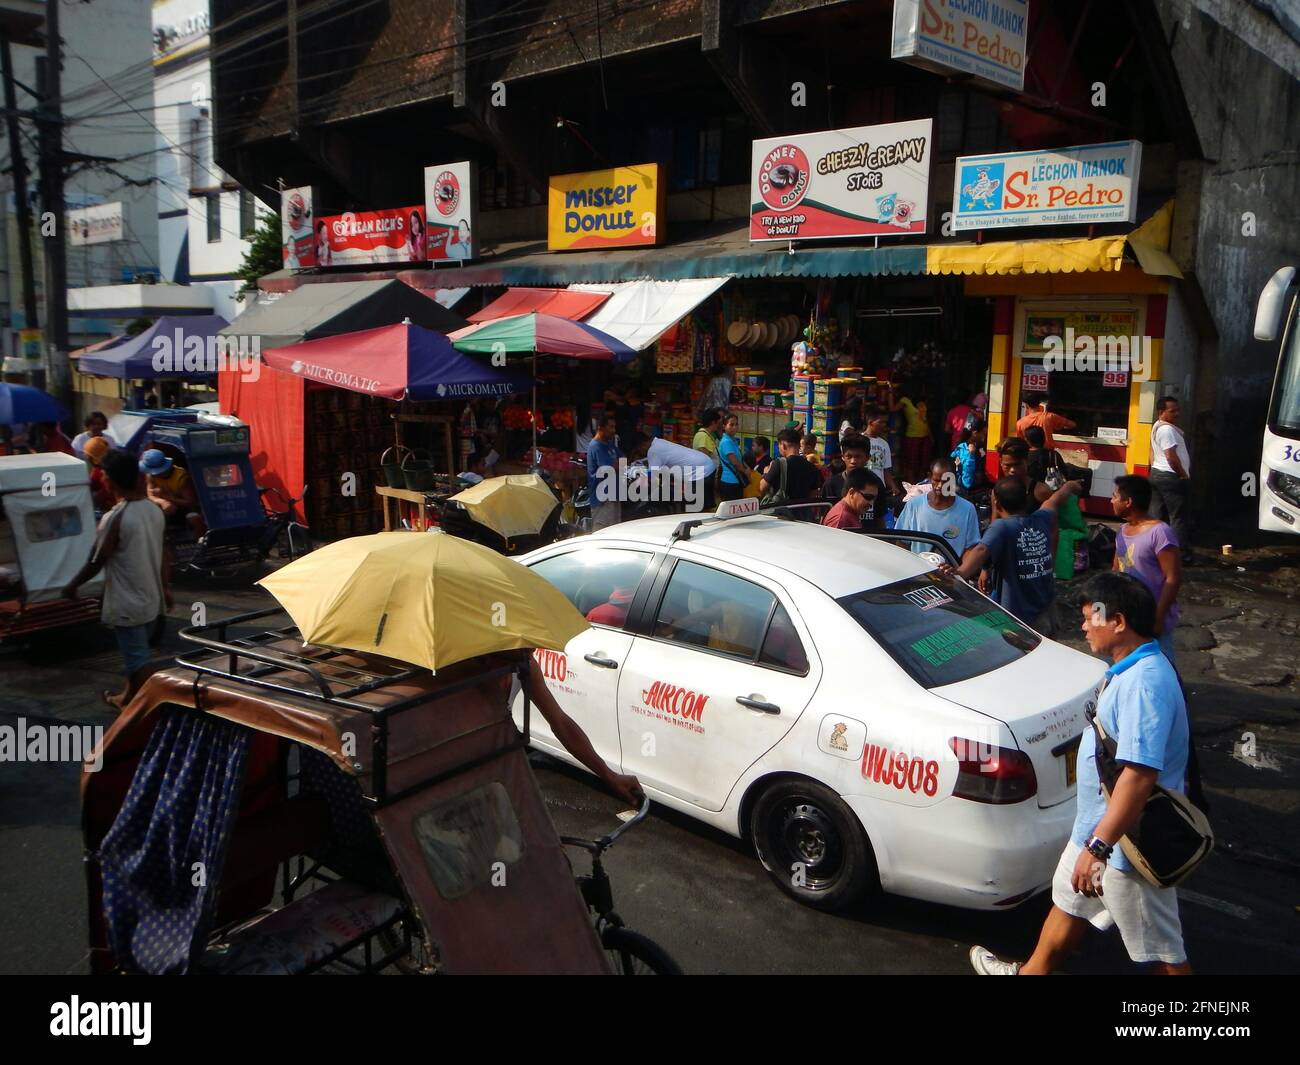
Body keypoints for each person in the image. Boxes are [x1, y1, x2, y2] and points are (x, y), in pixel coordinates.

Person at [971, 572, 1191, 976]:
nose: (1083, 625)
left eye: (1092, 617)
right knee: (1067, 907)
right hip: (1098, 831)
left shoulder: (1145, 685)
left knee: (1163, 956)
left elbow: (1138, 776)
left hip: (1126, 847)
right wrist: (1092, 842)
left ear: (1119, 622)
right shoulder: (1128, 670)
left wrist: (1099, 848)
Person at [63, 449, 171, 709]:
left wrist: (73, 586)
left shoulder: (115, 518)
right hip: (151, 598)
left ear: (109, 482)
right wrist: (165, 589)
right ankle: (126, 699)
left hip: (128, 603)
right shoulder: (153, 511)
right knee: (137, 657)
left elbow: (96, 559)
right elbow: (165, 554)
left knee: (139, 662)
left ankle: (162, 702)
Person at [956, 475, 1083, 634]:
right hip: (1045, 611)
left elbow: (981, 550)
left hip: (1018, 620)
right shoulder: (1041, 519)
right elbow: (1055, 499)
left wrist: (958, 574)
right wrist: (1070, 486)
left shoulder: (1002, 527)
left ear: (997, 504)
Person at [1111, 474, 1182, 664]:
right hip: (1129, 616)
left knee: (1162, 666)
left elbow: (1172, 578)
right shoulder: (1122, 531)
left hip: (1152, 619)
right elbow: (1116, 569)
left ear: (1128, 502)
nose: (1112, 501)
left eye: (1115, 496)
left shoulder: (1160, 532)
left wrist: (1158, 618)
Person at [896, 457, 981, 558]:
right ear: (930, 477)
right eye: (936, 480)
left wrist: (958, 571)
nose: (940, 485)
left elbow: (971, 548)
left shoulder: (967, 509)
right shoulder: (914, 505)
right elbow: (901, 542)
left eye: (946, 481)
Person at [1148, 396, 1191, 563]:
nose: (1177, 414)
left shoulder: (1158, 426)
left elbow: (1151, 451)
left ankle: (1153, 550)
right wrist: (1182, 474)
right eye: (1172, 411)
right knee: (1177, 517)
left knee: (1157, 516)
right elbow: (1171, 457)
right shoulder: (1167, 431)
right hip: (1170, 477)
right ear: (1161, 412)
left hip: (1157, 474)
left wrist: (1153, 468)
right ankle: (1180, 556)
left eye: (1178, 410)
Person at [140, 448, 204, 538]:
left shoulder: (181, 478)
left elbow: (190, 502)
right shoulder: (151, 475)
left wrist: (168, 497)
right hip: (166, 508)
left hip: (185, 509)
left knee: (193, 518)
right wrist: (163, 502)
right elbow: (150, 494)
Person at [760, 427, 821, 507]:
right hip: (803, 515)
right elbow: (812, 495)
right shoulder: (813, 467)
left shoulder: (779, 463)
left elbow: (762, 488)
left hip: (781, 512)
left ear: (783, 446)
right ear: (799, 445)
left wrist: (766, 473)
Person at [586, 414, 623, 530]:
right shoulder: (596, 446)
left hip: (614, 495)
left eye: (614, 427)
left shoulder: (609, 444)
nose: (613, 430)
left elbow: (623, 460)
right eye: (610, 427)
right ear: (600, 428)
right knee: (603, 532)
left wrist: (619, 464)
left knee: (615, 531)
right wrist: (617, 465)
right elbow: (611, 469)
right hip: (602, 499)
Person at [890, 380, 931, 483]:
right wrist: (890, 392)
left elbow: (926, 420)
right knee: (911, 462)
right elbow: (892, 408)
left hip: (925, 435)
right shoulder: (905, 401)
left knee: (924, 462)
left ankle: (921, 484)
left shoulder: (922, 401)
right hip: (912, 436)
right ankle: (911, 485)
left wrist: (931, 436)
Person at [997, 436, 1051, 512]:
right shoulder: (997, 492)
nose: (1013, 470)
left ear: (1027, 461)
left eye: (1017, 465)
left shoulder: (1041, 492)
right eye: (1007, 465)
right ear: (1001, 463)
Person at [862, 408, 899, 495]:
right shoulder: (859, 440)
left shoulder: (884, 444)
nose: (884, 425)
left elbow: (886, 470)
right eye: (881, 422)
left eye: (885, 423)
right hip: (863, 487)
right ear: (871, 422)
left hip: (879, 489)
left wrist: (893, 486)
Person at [692, 408, 722, 508]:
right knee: (706, 506)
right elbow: (703, 457)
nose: (718, 426)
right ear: (713, 422)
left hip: (707, 477)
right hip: (704, 478)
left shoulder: (707, 435)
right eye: (718, 423)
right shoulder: (702, 436)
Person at [717, 413, 750, 502]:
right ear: (724, 426)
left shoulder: (732, 440)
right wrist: (745, 471)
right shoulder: (726, 442)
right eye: (731, 425)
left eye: (736, 424)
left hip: (736, 481)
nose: (734, 427)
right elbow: (735, 462)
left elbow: (740, 459)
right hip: (730, 482)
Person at [951, 422, 986, 493]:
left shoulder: (964, 446)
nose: (985, 436)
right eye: (983, 433)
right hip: (968, 488)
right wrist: (971, 455)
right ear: (975, 433)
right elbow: (967, 474)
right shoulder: (967, 450)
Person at [84, 436, 114, 511]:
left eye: (88, 456)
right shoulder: (97, 470)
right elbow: (91, 486)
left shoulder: (109, 471)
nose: (86, 458)